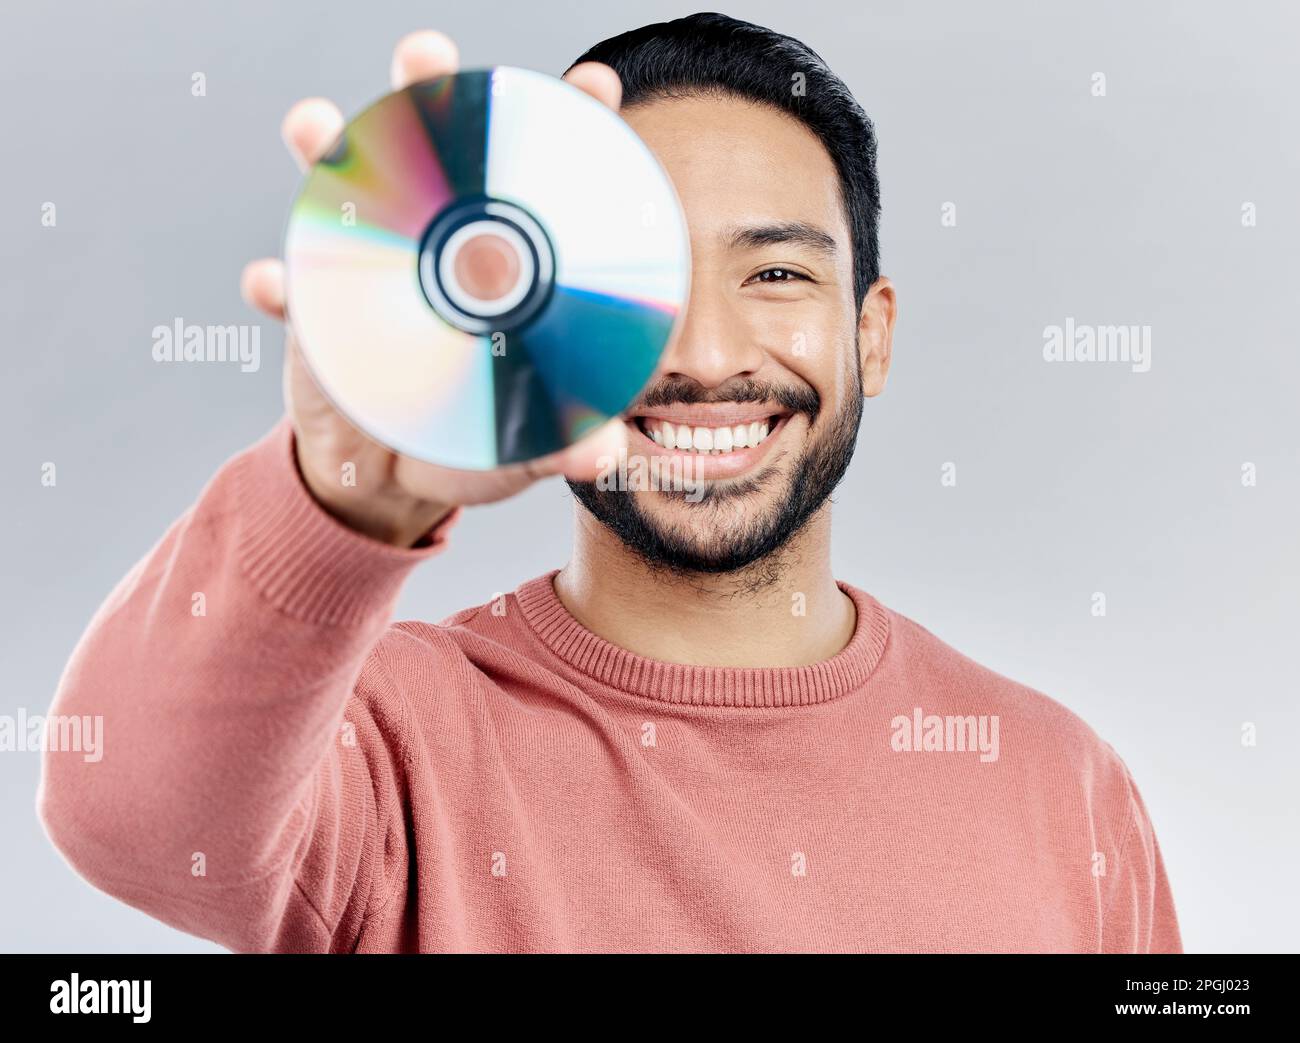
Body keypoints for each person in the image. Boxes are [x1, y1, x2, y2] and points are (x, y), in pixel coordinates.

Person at [38, 13, 1182, 953]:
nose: (704, 353)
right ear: (528, 311)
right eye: (642, 278)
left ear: (870, 334)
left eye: (776, 270)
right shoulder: (381, 740)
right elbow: (127, 815)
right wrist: (342, 492)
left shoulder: (1057, 780)